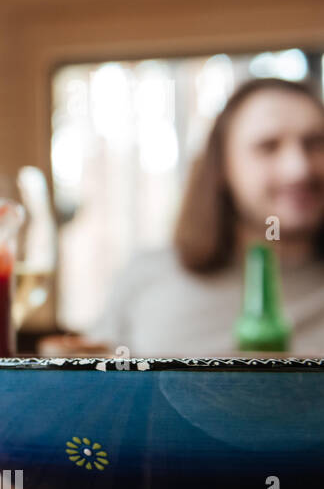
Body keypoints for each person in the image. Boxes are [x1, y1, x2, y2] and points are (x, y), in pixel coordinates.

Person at [94, 77, 324, 355]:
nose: (298, 169)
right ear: (222, 167)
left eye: (315, 144)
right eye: (268, 146)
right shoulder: (147, 277)